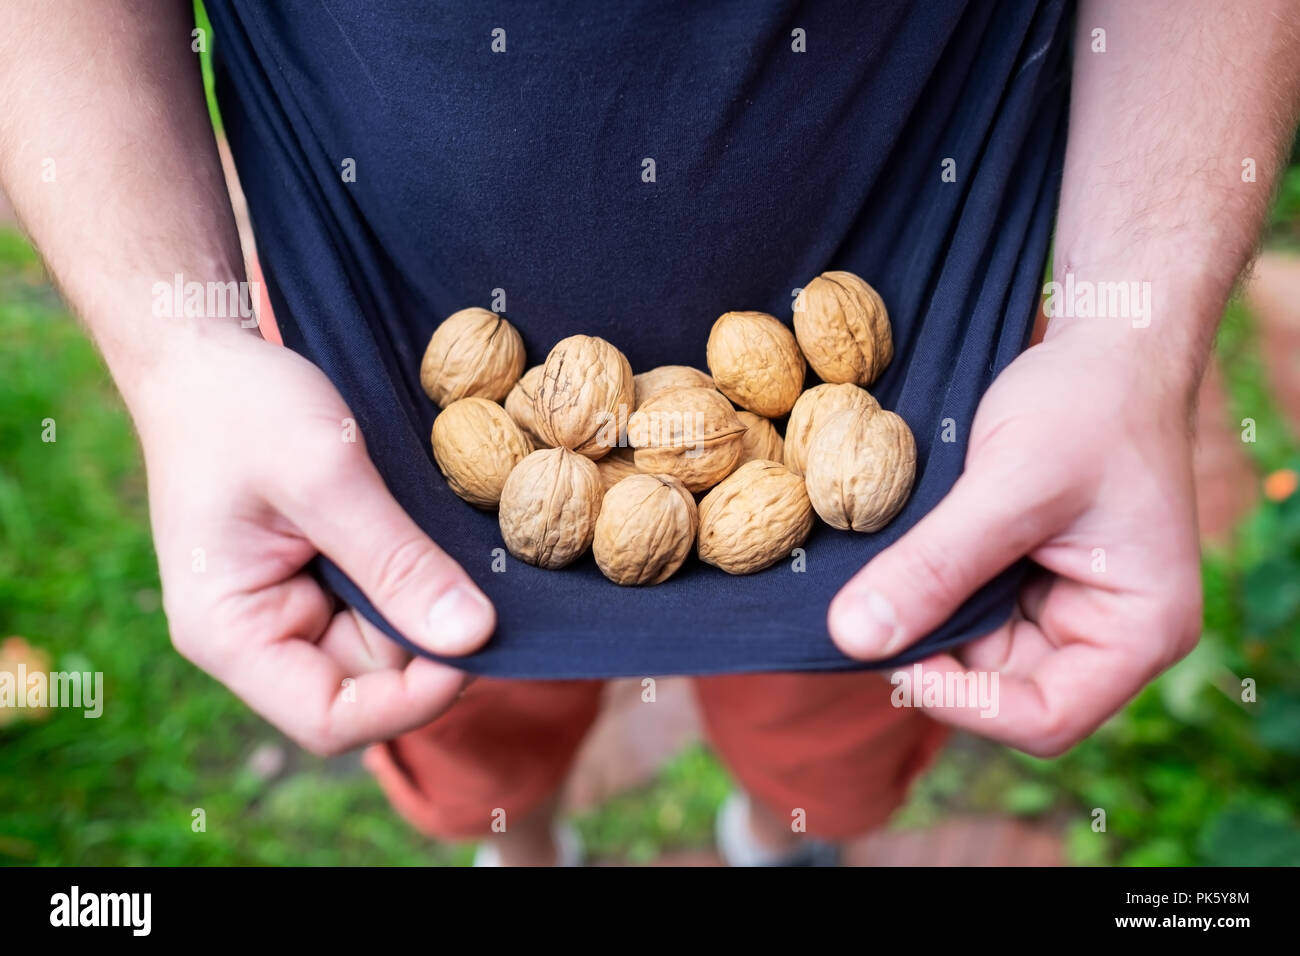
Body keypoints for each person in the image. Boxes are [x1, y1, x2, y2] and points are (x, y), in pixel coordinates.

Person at [2, 0, 1297, 866]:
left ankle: (790, 840)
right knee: (460, 710)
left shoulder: (830, 429)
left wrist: (1134, 332)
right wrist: (179, 358)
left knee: (838, 716)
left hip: (905, 386)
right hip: (383, 412)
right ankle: (519, 838)